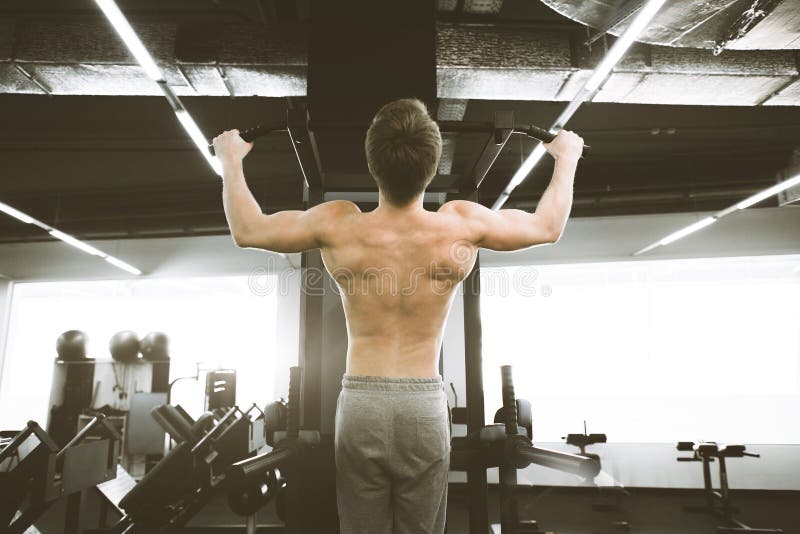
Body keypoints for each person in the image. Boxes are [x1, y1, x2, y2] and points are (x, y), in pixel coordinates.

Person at [213, 98, 583, 534]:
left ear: (374, 165)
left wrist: (231, 160)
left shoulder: (340, 224)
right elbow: (546, 227)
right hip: (423, 405)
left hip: (361, 406)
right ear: (431, 166)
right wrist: (566, 157)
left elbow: (248, 229)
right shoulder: (459, 224)